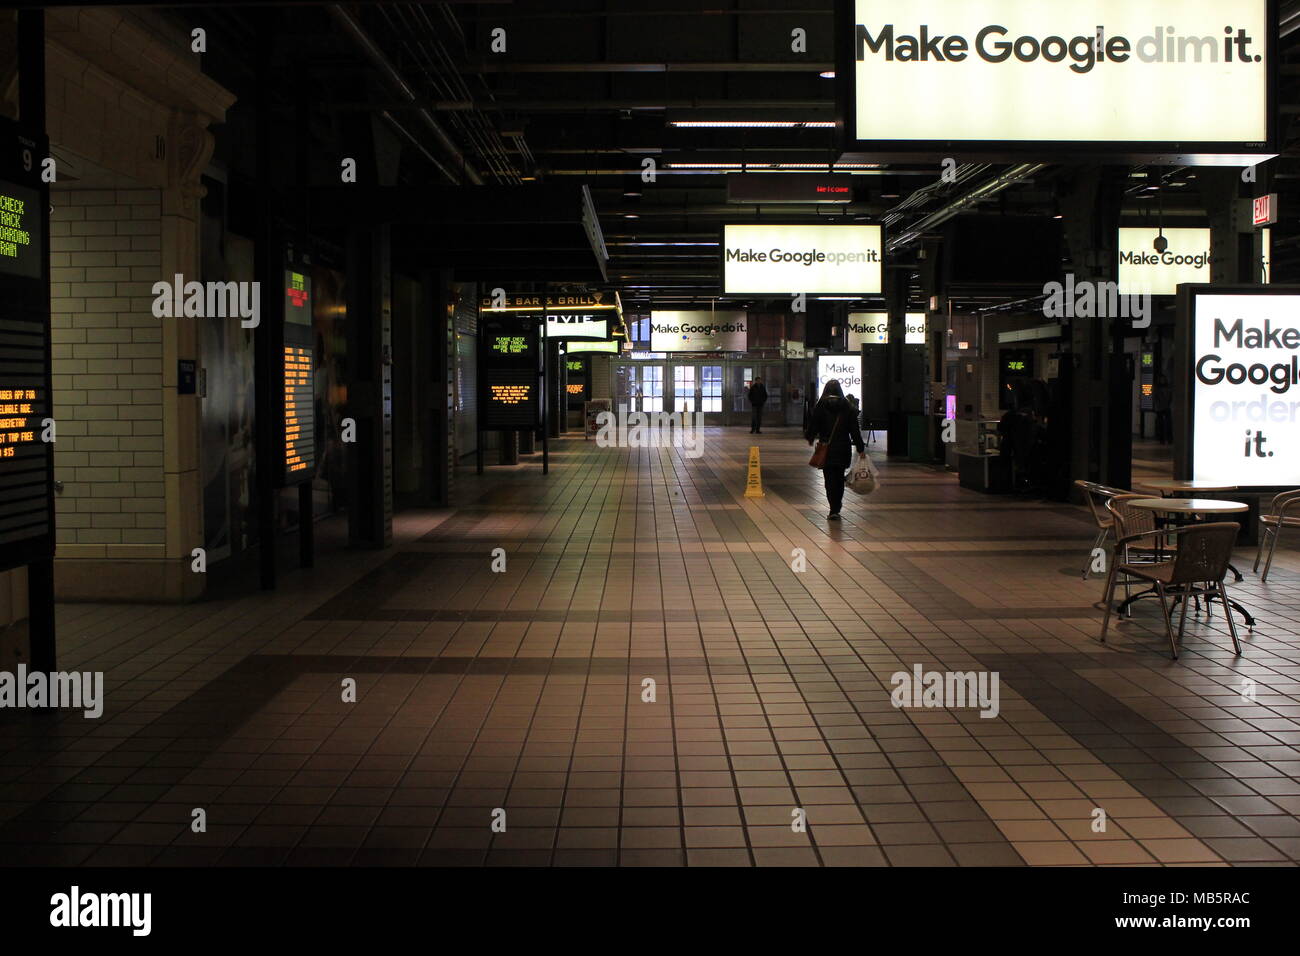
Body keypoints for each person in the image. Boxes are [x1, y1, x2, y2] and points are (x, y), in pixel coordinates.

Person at [805, 379, 866, 520]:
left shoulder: (821, 406)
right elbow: (854, 431)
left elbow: (813, 425)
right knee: (839, 478)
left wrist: (810, 437)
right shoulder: (848, 407)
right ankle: (836, 507)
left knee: (829, 479)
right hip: (843, 448)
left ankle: (832, 506)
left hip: (827, 449)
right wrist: (860, 448)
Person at [1153, 374, 1172, 444]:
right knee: (1161, 424)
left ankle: (1169, 439)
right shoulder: (1157, 388)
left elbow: (1170, 397)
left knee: (1168, 423)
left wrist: (1168, 403)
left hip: (1166, 407)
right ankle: (1162, 439)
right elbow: (1155, 398)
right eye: (1161, 379)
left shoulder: (1168, 387)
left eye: (1163, 379)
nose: (1162, 381)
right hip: (1159, 407)